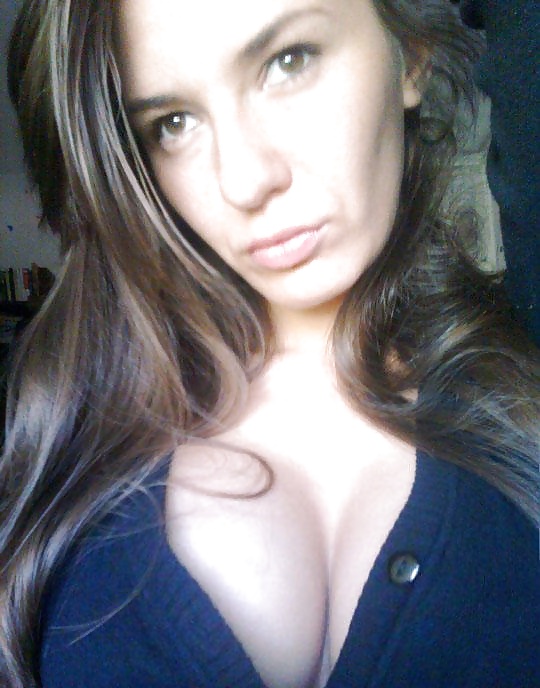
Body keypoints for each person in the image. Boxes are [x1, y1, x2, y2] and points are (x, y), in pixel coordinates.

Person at [1, 1, 538, 687]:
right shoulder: (84, 422)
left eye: (288, 62)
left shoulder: (520, 389)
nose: (245, 181)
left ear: (411, 53)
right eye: (173, 124)